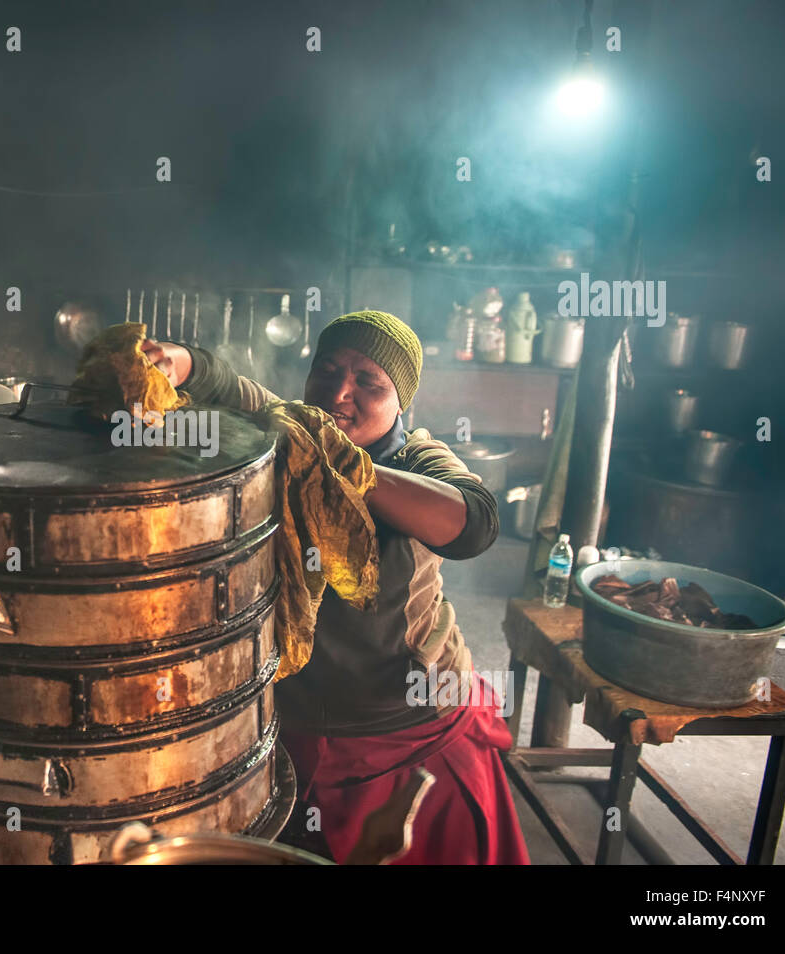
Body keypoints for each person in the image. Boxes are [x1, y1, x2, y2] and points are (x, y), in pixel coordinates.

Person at [143, 310, 530, 865]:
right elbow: (231, 388)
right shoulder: (297, 434)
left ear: (402, 402)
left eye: (368, 382)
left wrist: (357, 473)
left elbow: (474, 523)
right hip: (294, 720)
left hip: (406, 725)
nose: (339, 393)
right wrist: (176, 362)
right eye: (326, 371)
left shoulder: (416, 457)